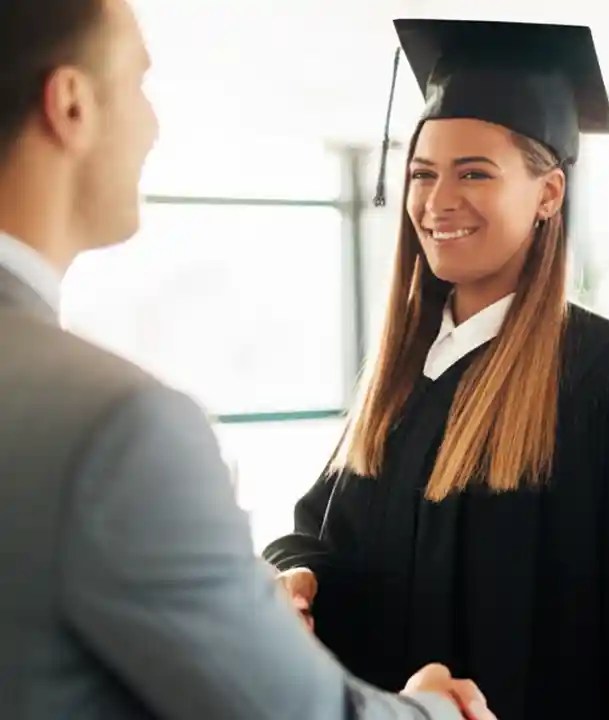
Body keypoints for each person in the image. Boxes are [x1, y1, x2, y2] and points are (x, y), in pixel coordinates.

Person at [0, 1, 495, 718]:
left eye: (473, 174)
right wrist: (434, 708)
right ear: (70, 104)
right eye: (140, 84)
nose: (154, 126)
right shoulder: (120, 427)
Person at [263, 19, 609, 720]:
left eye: (474, 173)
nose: (436, 202)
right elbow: (328, 539)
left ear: (548, 194)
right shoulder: (401, 376)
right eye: (422, 174)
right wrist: (294, 576)